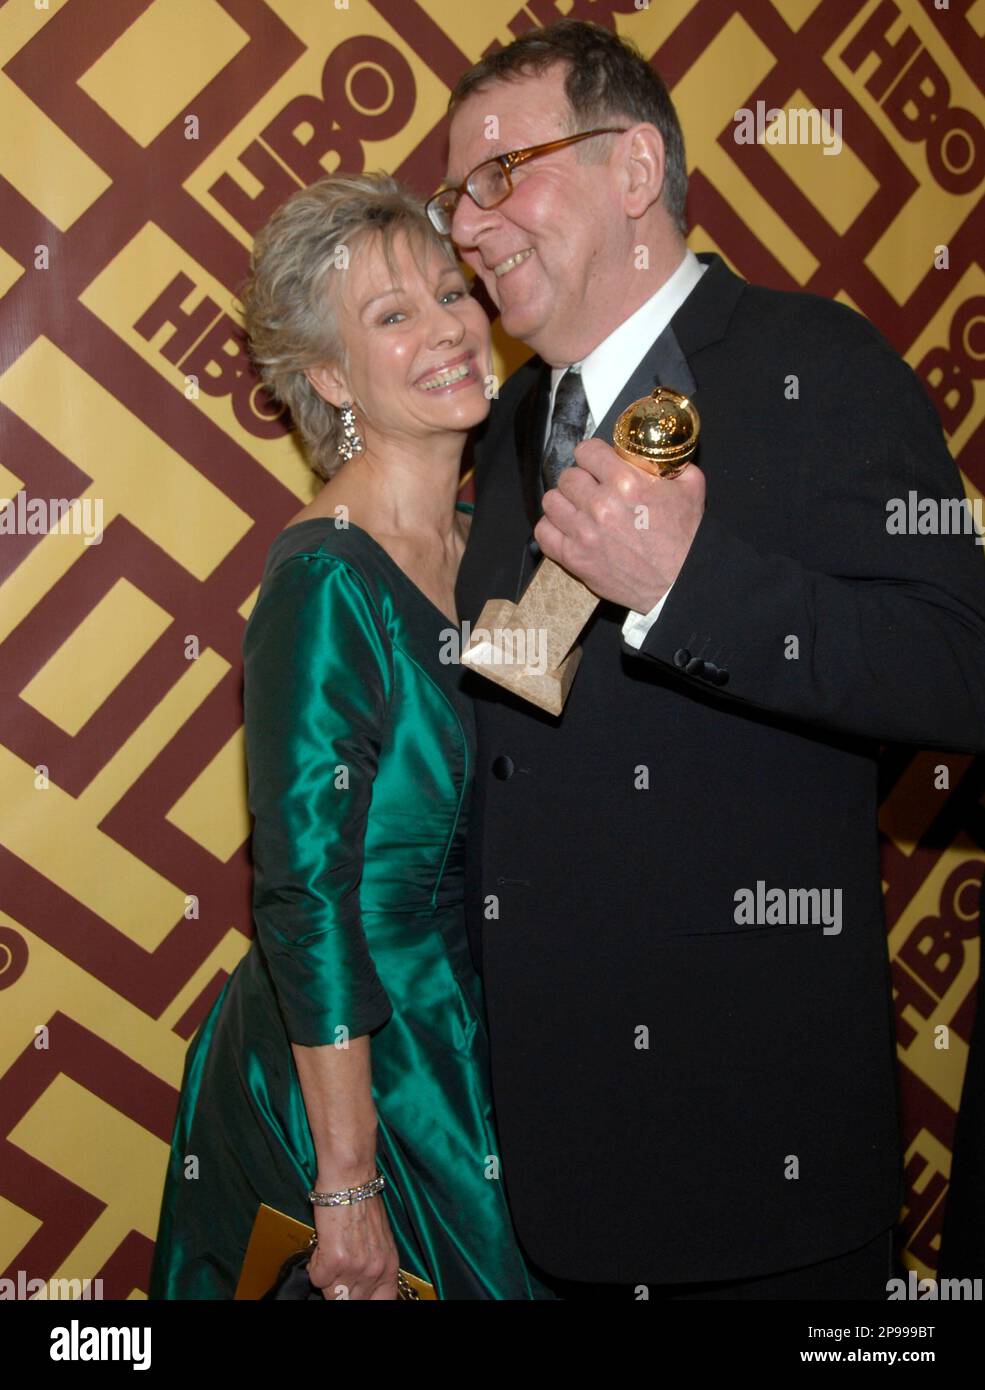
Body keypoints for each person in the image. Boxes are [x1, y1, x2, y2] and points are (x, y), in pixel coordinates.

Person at [432, 19, 985, 1299]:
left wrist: (691, 589)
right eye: (456, 193)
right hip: (554, 1169)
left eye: (501, 174)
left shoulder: (819, 368)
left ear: (634, 171)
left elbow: (962, 667)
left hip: (757, 1179)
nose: (468, 225)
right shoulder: (517, 418)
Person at [148, 173, 554, 1300]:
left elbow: (538, 737)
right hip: (363, 1062)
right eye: (392, 317)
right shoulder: (326, 580)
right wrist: (346, 1185)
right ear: (328, 379)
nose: (447, 329)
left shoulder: (487, 537)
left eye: (447, 292)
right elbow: (303, 898)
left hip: (485, 1019)